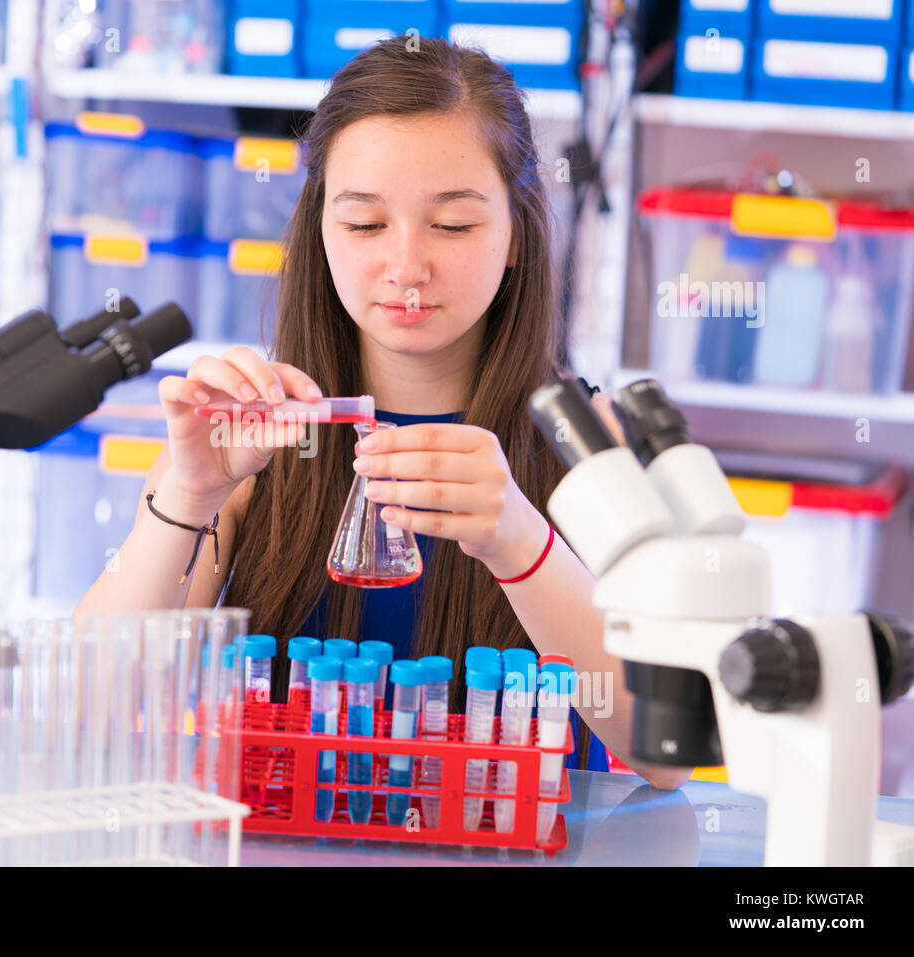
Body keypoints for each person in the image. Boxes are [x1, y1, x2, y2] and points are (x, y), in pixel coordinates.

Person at [75, 36, 691, 789]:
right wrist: (188, 497)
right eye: (365, 224)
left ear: (515, 238)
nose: (407, 266)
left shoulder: (594, 444)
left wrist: (521, 541)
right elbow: (92, 708)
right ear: (320, 230)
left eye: (454, 225)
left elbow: (669, 755)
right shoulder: (245, 437)